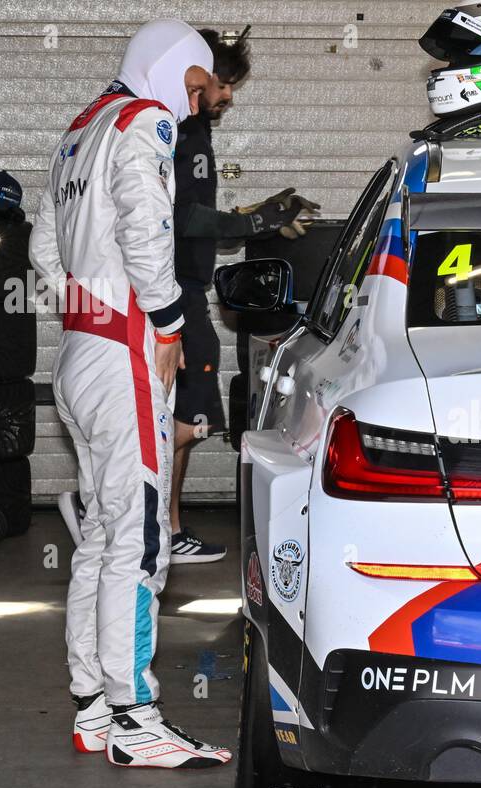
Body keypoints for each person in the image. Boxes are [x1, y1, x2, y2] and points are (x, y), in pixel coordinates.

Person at [30, 18, 232, 768]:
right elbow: (148, 228)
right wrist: (169, 322)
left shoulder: (82, 128)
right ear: (166, 67)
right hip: (125, 355)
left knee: (100, 537)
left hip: (80, 350)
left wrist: (91, 303)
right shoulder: (144, 122)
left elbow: (42, 247)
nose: (194, 102)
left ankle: (93, 707)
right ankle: (135, 716)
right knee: (141, 540)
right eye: (193, 85)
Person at [166, 26, 319, 563]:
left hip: (180, 287)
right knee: (185, 421)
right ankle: (133, 514)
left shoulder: (191, 131)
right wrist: (256, 221)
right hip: (174, 293)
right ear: (197, 77)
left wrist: (253, 219)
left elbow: (198, 221)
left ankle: (156, 523)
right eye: (223, 83)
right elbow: (181, 218)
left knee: (180, 418)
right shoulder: (180, 130)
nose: (228, 95)